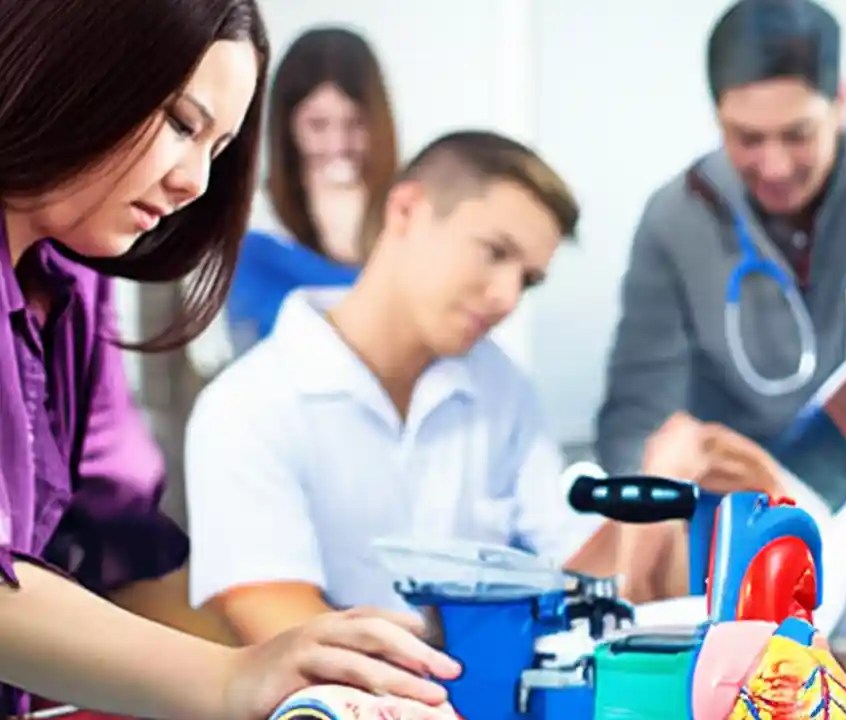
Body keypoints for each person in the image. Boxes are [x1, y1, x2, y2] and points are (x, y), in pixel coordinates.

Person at [0, 2, 460, 719]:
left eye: (217, 150)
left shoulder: (71, 284)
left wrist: (308, 671)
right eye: (182, 123)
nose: (196, 183)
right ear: (73, 60)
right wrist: (231, 676)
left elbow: (112, 538)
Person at [183, 131, 617, 644]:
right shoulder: (247, 408)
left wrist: (656, 501)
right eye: (495, 252)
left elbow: (589, 579)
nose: (506, 296)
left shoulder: (503, 389)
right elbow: (284, 631)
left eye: (527, 280)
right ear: (407, 211)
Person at [594, 0, 846, 509]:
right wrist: (659, 507)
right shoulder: (675, 217)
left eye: (798, 135)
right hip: (741, 517)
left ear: (841, 101)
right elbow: (636, 420)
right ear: (716, 116)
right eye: (746, 138)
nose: (773, 167)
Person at [226, 26, 399, 353]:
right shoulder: (256, 232)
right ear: (288, 127)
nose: (338, 146)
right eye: (318, 125)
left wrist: (362, 244)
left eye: (355, 123)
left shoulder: (410, 217)